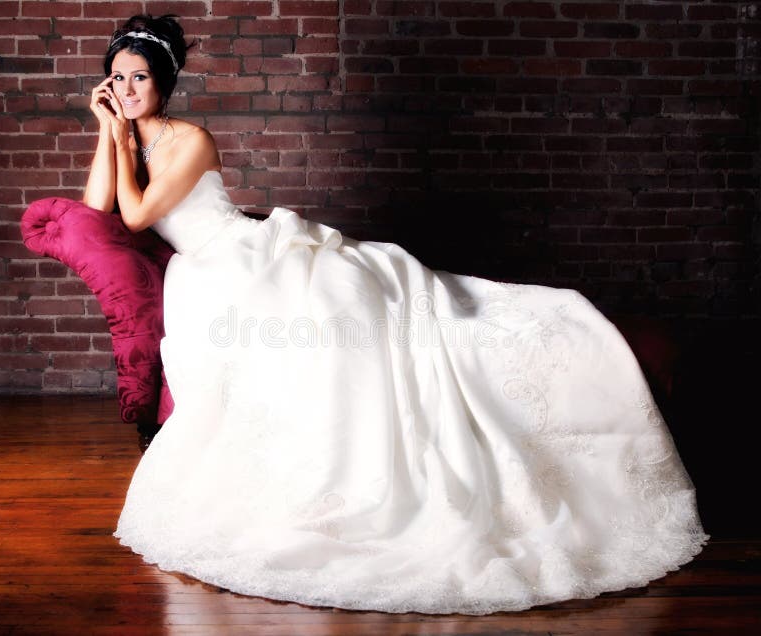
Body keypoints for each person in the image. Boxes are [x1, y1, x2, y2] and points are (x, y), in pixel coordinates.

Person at [89, 14, 709, 615]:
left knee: (350, 321)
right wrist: (103, 131)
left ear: (163, 84)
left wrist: (120, 141)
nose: (126, 89)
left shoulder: (190, 140)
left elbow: (138, 215)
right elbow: (98, 207)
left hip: (247, 256)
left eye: (138, 77)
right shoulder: (126, 138)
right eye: (116, 79)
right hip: (204, 278)